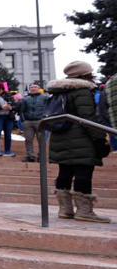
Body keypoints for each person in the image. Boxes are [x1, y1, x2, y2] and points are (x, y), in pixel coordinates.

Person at [48, 61, 110, 223]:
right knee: (83, 172)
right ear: (85, 75)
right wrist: (99, 139)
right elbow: (88, 118)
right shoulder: (81, 91)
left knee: (65, 171)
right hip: (81, 138)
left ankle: (65, 209)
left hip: (60, 137)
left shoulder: (58, 92)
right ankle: (84, 211)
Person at [18, 83, 49, 162]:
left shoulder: (45, 98)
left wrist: (45, 118)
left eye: (35, 87)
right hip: (28, 122)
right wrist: (23, 120)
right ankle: (30, 156)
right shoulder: (25, 99)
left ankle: (41, 156)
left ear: (38, 88)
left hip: (40, 121)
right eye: (31, 87)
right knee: (28, 140)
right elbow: (21, 110)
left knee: (41, 140)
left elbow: (48, 108)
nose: (33, 88)